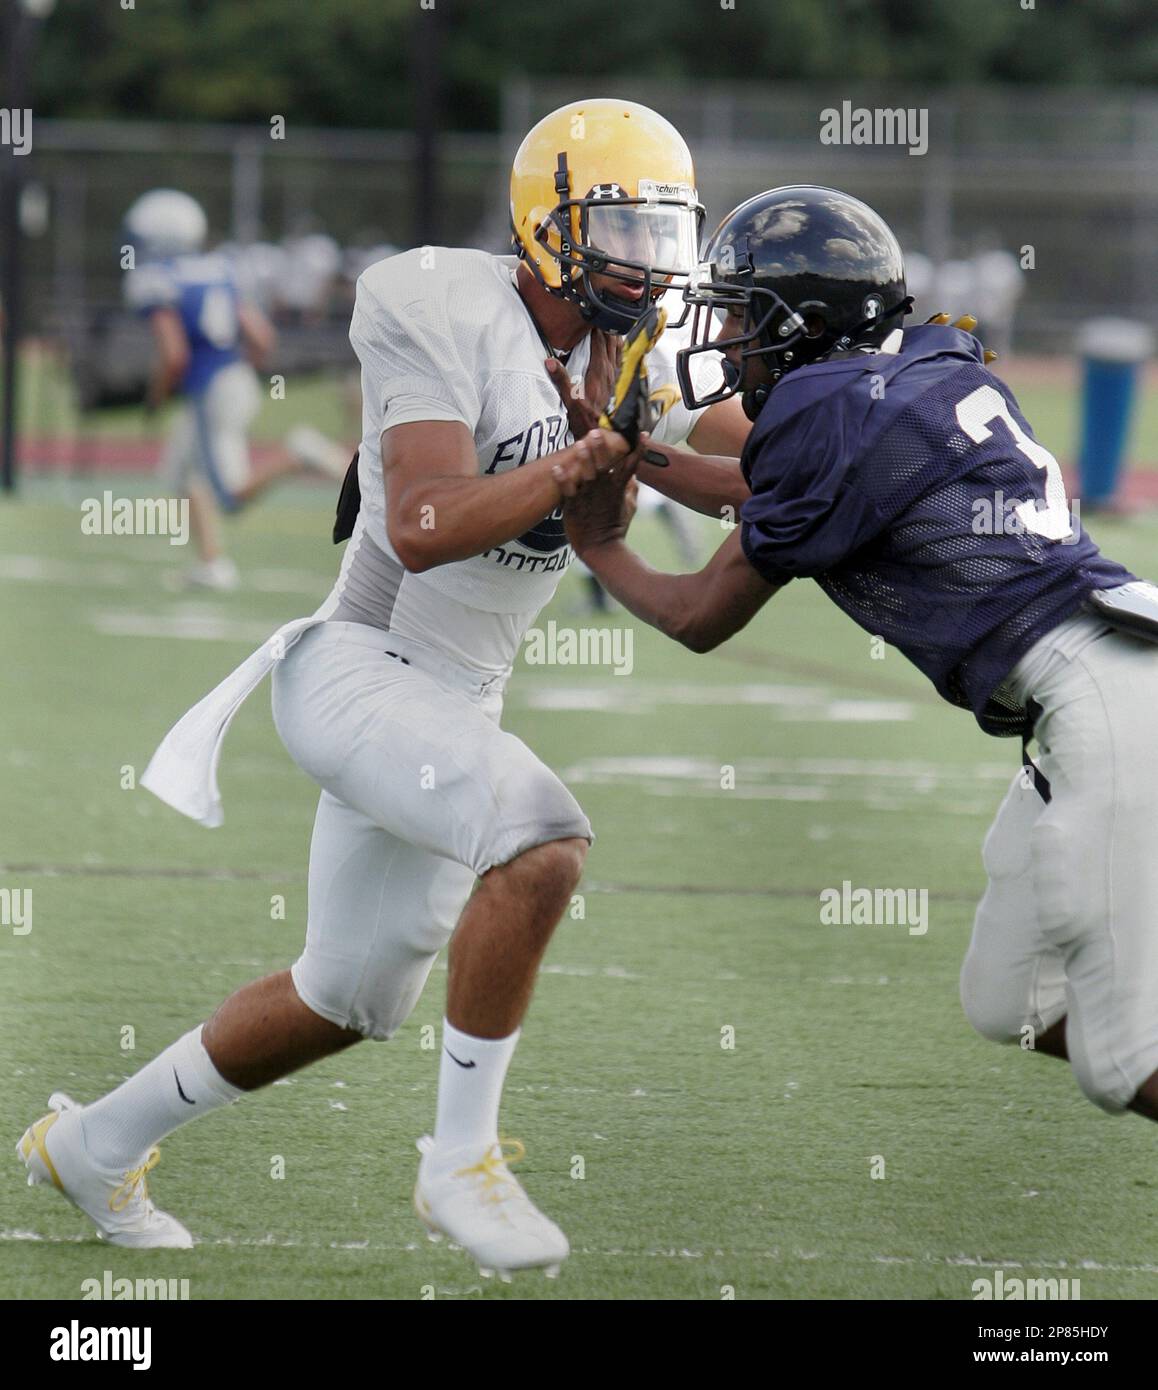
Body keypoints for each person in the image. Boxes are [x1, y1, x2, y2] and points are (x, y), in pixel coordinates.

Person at [18, 102, 749, 1277]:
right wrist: (579, 461)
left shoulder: (639, 350)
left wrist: (856, 442)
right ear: (546, 220)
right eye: (617, 224)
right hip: (359, 669)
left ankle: (94, 1143)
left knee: (347, 996)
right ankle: (461, 1160)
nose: (644, 258)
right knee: (545, 838)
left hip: (457, 701)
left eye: (664, 232)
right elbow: (420, 525)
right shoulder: (438, 299)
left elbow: (748, 472)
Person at [563, 184, 1158, 1128]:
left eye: (743, 319)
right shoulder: (927, 364)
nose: (726, 343)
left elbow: (697, 614)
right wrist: (631, 452)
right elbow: (775, 495)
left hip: (1102, 700)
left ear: (803, 322)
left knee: (1123, 1064)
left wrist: (600, 546)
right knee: (1014, 1005)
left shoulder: (826, 417)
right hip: (1103, 676)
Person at [122, 189, 348, 591]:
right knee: (181, 471)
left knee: (230, 494)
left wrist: (154, 400)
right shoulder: (220, 268)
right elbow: (262, 338)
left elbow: (173, 356)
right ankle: (212, 564)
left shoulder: (158, 280)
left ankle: (300, 451)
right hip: (234, 380)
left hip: (211, 390)